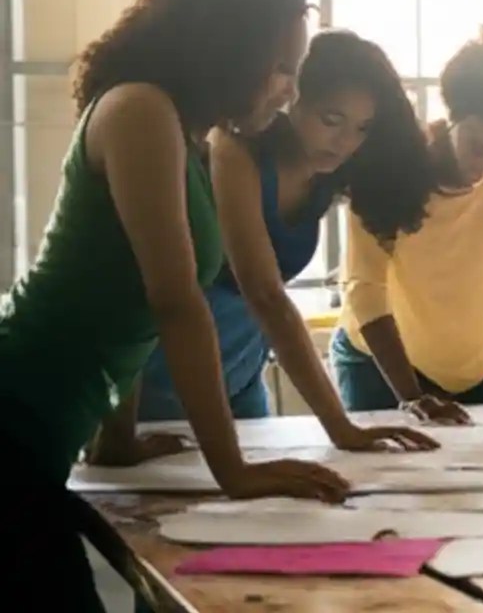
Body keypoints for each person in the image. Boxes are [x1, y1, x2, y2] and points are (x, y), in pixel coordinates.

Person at [0, 0, 415, 610]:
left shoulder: (182, 132)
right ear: (229, 49)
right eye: (282, 68)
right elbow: (174, 301)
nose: (290, 91)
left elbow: (128, 299)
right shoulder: (140, 110)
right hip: (17, 411)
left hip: (47, 425)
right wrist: (234, 471)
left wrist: (119, 440)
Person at [127, 30, 439, 455]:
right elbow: (265, 294)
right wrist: (340, 428)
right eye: (331, 120)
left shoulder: (327, 176)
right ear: (290, 98)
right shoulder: (233, 148)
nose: (345, 142)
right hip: (167, 367)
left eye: (362, 128)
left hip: (243, 373)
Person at [331, 30, 483, 419]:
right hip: (379, 364)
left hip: (479, 367)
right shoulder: (388, 165)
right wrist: (411, 397)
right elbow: (366, 288)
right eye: (477, 148)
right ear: (452, 117)